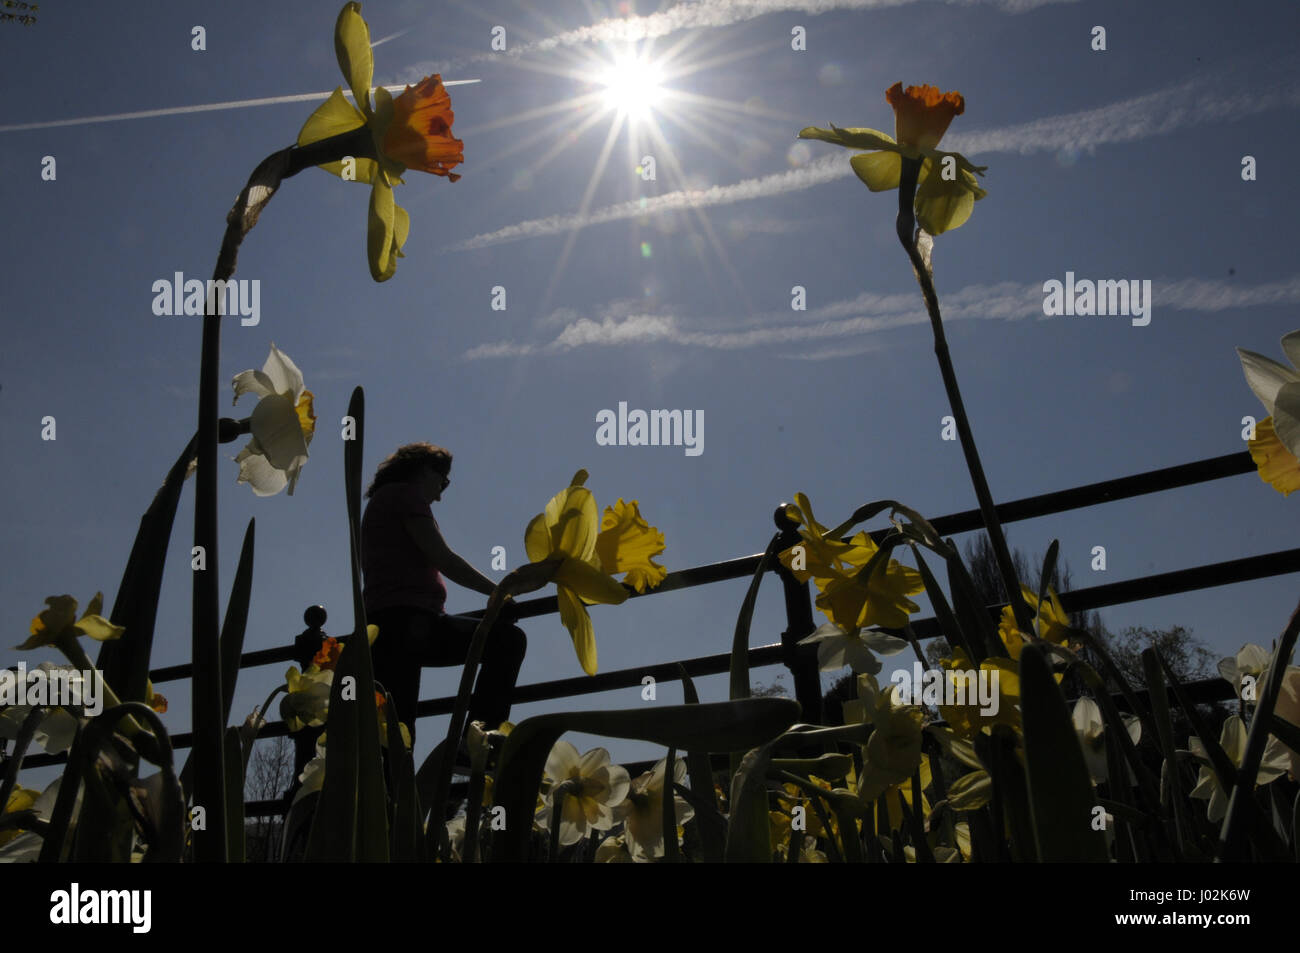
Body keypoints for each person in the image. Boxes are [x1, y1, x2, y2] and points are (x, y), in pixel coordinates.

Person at [360, 442, 526, 749]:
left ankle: (389, 793)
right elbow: (444, 558)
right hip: (410, 622)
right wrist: (498, 593)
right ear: (424, 470)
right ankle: (478, 741)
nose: (440, 493)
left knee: (397, 731)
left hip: (384, 627)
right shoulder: (405, 496)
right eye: (443, 481)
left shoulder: (381, 503)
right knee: (507, 641)